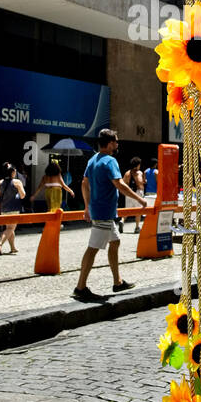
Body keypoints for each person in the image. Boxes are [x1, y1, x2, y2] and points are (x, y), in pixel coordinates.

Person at [73, 129, 145, 302]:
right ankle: (80, 287)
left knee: (115, 241)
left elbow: (84, 184)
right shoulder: (110, 161)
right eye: (116, 141)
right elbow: (119, 184)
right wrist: (140, 199)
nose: (118, 144)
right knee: (92, 248)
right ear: (110, 143)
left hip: (99, 210)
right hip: (104, 211)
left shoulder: (93, 160)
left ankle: (117, 282)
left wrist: (87, 207)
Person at [0, 162, 25, 255]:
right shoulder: (17, 182)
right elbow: (23, 195)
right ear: (13, 172)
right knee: (11, 228)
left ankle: (13, 248)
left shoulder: (0, 182)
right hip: (14, 208)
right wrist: (18, 192)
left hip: (4, 209)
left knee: (9, 228)